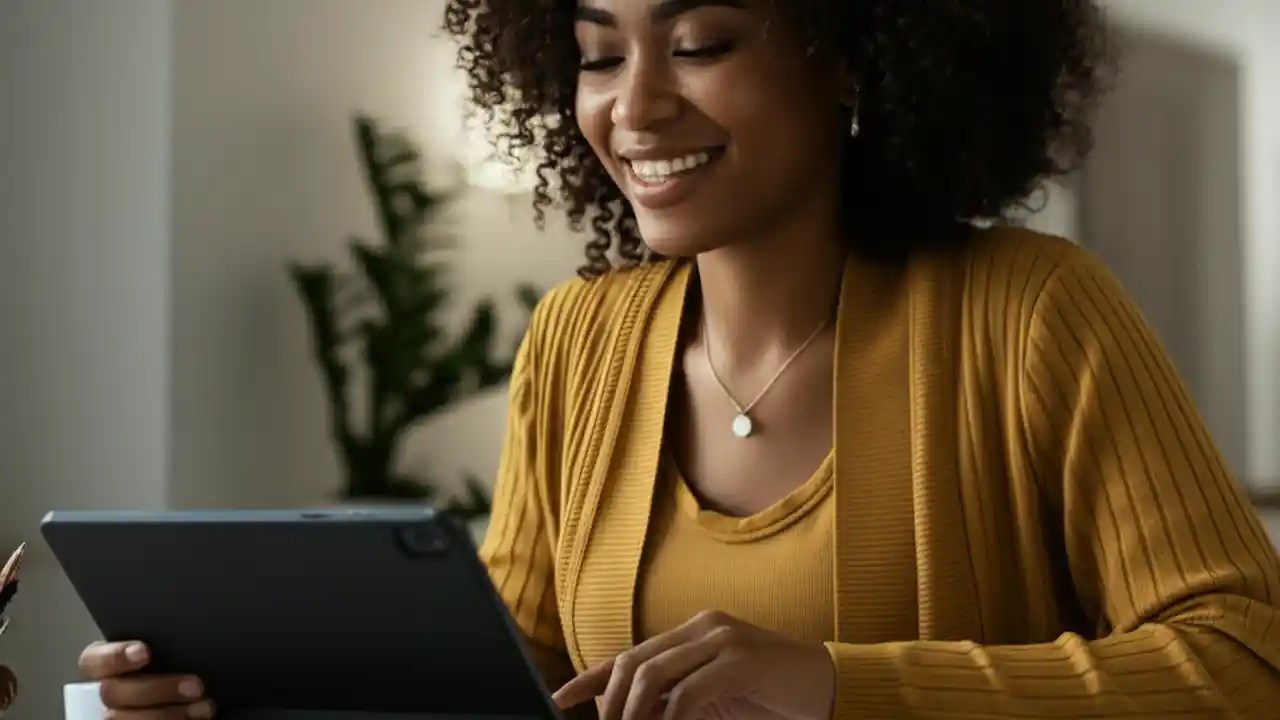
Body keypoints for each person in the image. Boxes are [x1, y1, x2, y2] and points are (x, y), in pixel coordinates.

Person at [78, 0, 1280, 717]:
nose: (634, 107)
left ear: (851, 54)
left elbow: (1241, 662)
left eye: (698, 42)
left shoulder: (1030, 314)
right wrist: (232, 691)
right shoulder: (578, 340)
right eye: (598, 54)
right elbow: (515, 676)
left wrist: (835, 686)